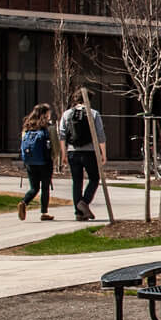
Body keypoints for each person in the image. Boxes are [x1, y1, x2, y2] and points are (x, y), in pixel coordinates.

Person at [57, 89, 106, 221]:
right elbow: (100, 135)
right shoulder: (93, 113)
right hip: (89, 152)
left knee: (77, 182)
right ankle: (84, 202)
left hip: (72, 152)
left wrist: (64, 154)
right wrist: (103, 154)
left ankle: (78, 213)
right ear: (89, 100)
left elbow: (61, 135)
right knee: (94, 178)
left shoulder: (67, 114)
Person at [17, 103, 55, 222]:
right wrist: (55, 158)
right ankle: (44, 212)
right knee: (45, 188)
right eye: (48, 113)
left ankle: (24, 202)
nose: (50, 115)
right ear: (44, 114)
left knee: (34, 187)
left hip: (30, 162)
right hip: (45, 162)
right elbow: (56, 147)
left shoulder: (27, 127)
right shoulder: (49, 128)